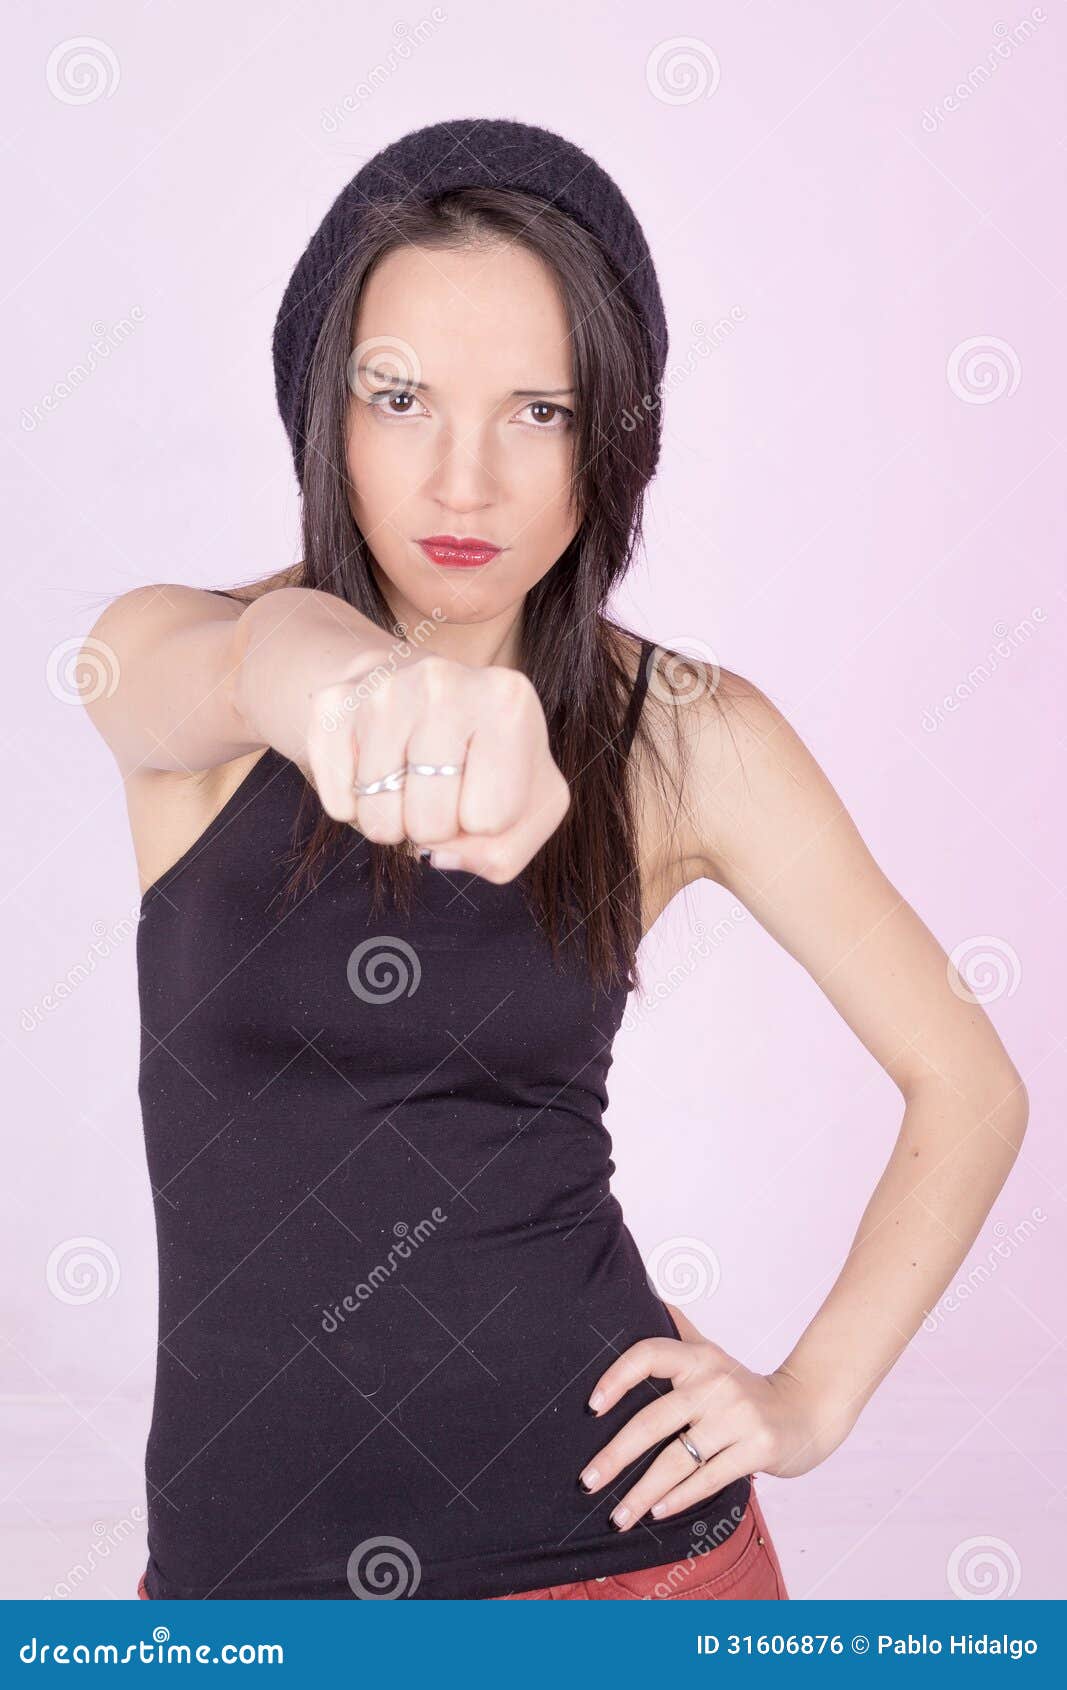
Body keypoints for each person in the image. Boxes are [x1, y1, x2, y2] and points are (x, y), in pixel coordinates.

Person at [81, 118, 1027, 1601]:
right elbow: (241, 659)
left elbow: (971, 1086)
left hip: (625, 1581)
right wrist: (371, 696)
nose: (464, 482)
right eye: (401, 399)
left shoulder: (683, 735)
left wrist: (807, 1398)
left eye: (539, 411)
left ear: (612, 437)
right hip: (238, 1602)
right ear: (322, 408)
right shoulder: (168, 660)